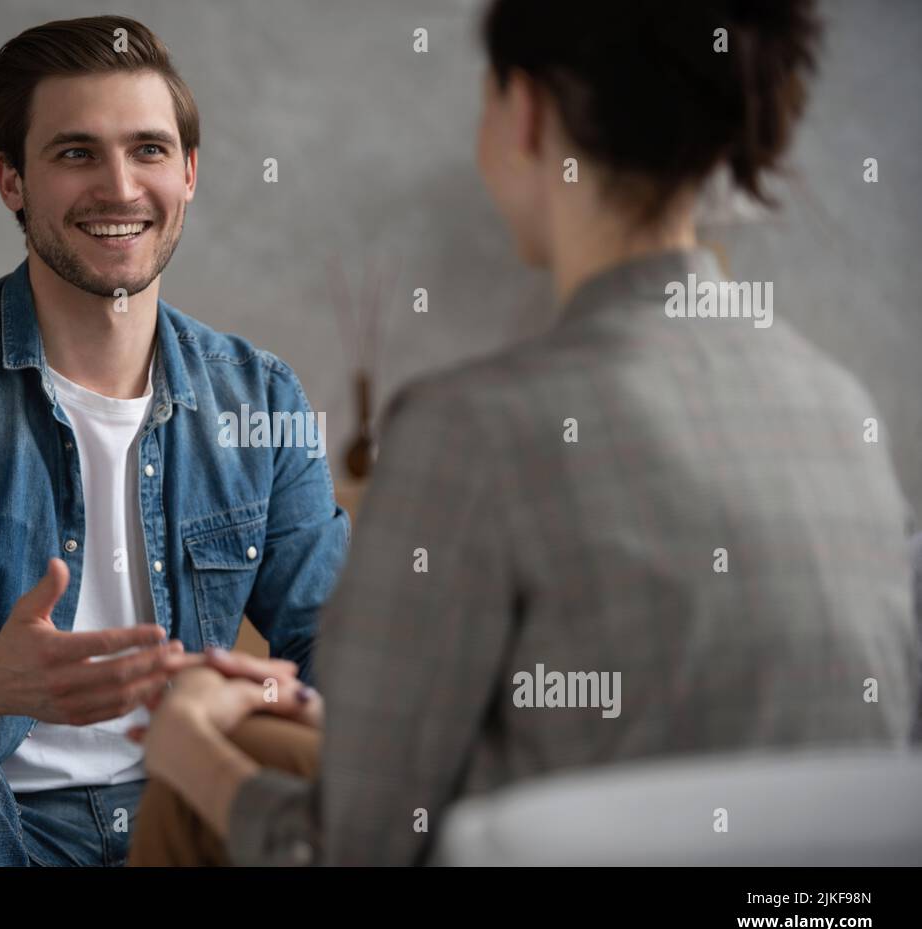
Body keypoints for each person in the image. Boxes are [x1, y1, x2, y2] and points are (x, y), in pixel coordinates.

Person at [126, 0, 919, 866]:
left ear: (527, 115)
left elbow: (349, 853)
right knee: (281, 746)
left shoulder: (466, 431)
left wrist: (190, 751)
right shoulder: (842, 410)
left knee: (202, 785)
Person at [0, 15, 349, 866]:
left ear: (190, 173)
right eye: (76, 153)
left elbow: (338, 651)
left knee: (323, 765)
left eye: (150, 150)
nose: (121, 188)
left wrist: (237, 692)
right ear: (12, 180)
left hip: (172, 810)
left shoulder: (261, 396)